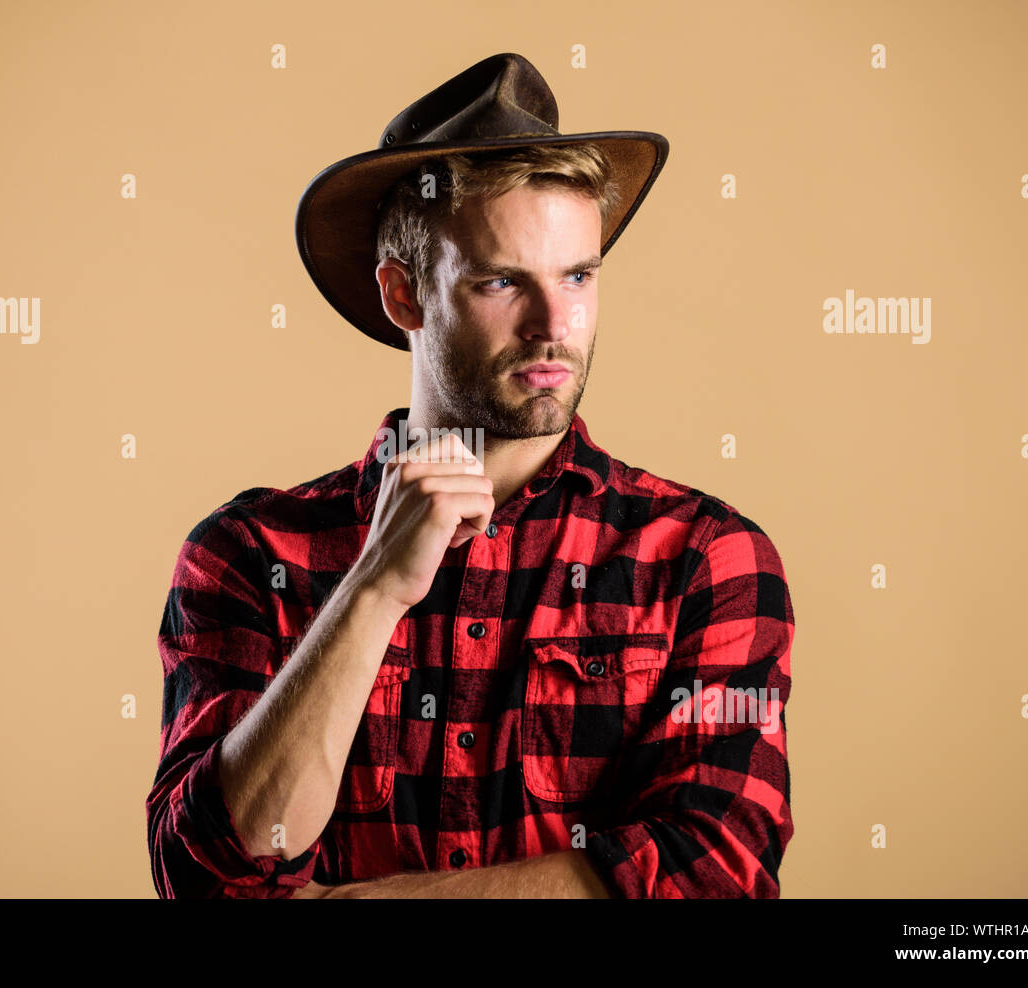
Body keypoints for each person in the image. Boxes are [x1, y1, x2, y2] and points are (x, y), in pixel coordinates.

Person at [146, 52, 795, 898]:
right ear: (404, 296)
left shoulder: (706, 558)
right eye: (501, 281)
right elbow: (207, 874)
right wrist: (371, 590)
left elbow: (718, 872)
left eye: (578, 275)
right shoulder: (247, 553)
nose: (554, 325)